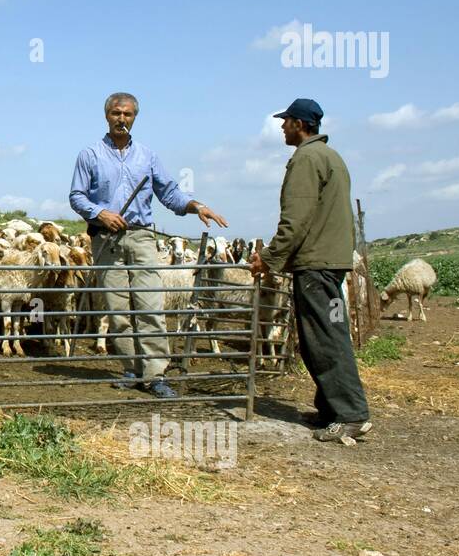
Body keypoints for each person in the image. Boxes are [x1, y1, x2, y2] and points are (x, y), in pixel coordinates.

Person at [69, 92, 229, 398]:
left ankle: (156, 374)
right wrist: (100, 213)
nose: (121, 119)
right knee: (117, 309)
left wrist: (196, 206)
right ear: (106, 116)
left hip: (142, 237)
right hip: (106, 239)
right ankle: (132, 369)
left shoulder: (147, 156)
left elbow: (169, 192)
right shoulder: (89, 155)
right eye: (116, 113)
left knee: (149, 305)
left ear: (134, 118)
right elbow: (77, 196)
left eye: (127, 114)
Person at [249, 98, 371, 442]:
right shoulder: (332, 157)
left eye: (286, 121)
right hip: (330, 260)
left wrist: (269, 258)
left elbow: (296, 219)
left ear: (299, 124)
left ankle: (350, 415)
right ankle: (332, 408)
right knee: (327, 334)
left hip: (316, 264)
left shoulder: (306, 158)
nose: (282, 127)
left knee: (322, 338)